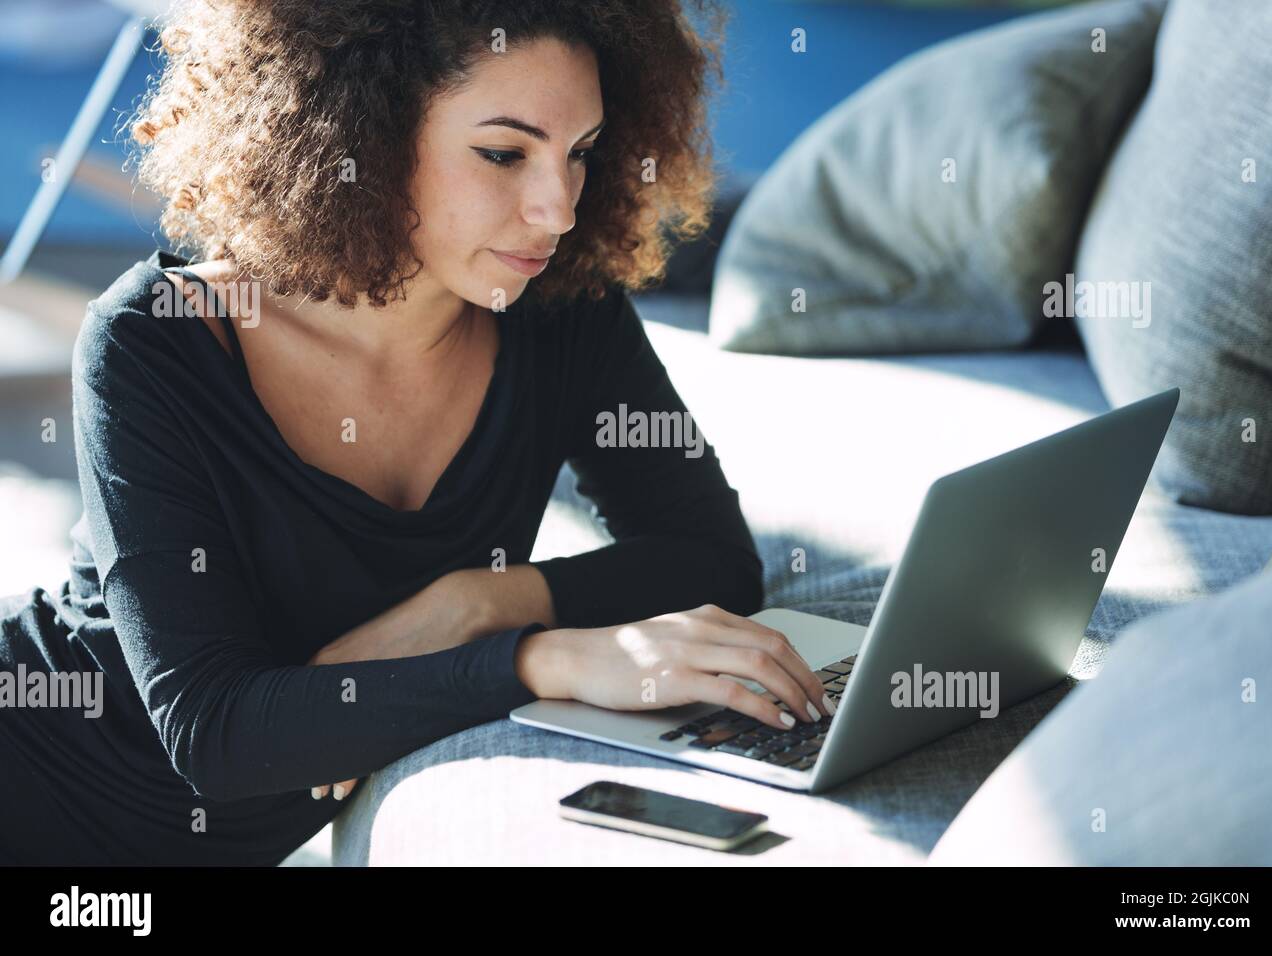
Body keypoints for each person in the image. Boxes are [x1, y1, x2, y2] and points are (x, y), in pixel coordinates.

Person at [0, 0, 831, 865]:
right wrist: (536, 661)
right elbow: (219, 734)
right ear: (363, 129)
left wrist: (477, 603)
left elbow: (713, 559)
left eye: (579, 153)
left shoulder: (560, 309)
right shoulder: (157, 337)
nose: (557, 209)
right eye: (503, 154)